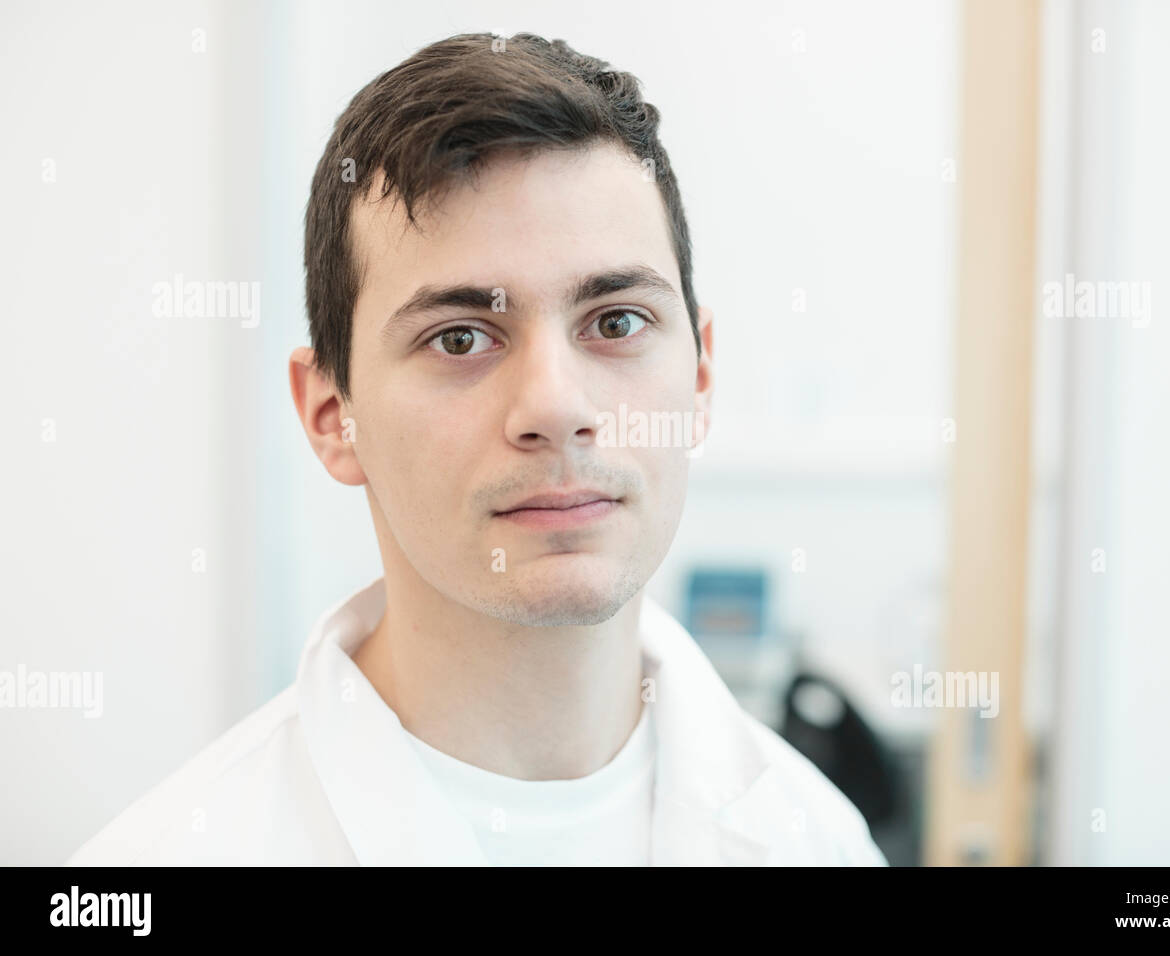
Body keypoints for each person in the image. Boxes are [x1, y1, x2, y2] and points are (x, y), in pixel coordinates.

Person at [66, 32, 888, 866]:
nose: (556, 407)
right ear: (329, 415)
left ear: (701, 377)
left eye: (615, 323)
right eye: (461, 338)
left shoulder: (818, 840)